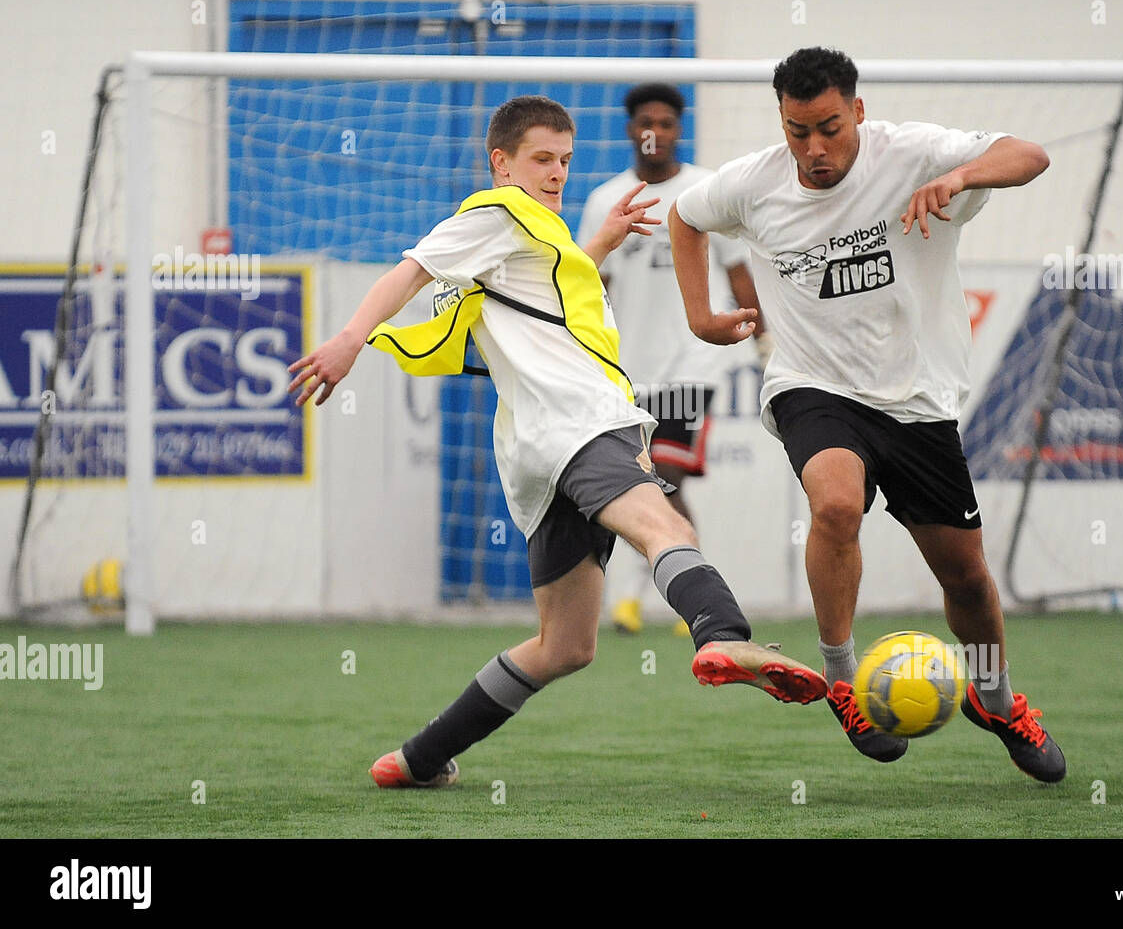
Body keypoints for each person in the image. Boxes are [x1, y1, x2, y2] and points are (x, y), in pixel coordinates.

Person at [288, 95, 827, 789]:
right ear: (500, 162)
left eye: (566, 160)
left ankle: (420, 757)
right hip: (580, 421)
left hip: (534, 454)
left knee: (565, 645)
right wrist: (348, 338)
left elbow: (543, 291)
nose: (557, 173)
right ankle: (723, 634)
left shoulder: (525, 236)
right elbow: (411, 268)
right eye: (542, 159)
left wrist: (599, 242)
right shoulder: (494, 211)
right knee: (660, 520)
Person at [668, 47, 1066, 782]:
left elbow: (1031, 154)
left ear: (857, 110)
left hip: (916, 399)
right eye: (796, 132)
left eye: (827, 127)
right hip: (812, 386)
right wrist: (700, 317)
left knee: (968, 579)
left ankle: (997, 698)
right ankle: (842, 680)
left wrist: (962, 174)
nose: (814, 149)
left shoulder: (913, 154)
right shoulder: (754, 183)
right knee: (838, 504)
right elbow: (684, 217)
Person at [576, 83, 759, 636]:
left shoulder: (705, 190)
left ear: (679, 130)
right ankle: (672, 593)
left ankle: (669, 597)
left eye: (667, 123)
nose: (655, 132)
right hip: (630, 369)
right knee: (642, 483)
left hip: (692, 363)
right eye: (644, 123)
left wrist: (768, 341)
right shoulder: (606, 200)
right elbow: (591, 284)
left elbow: (736, 271)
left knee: (668, 478)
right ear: (631, 130)